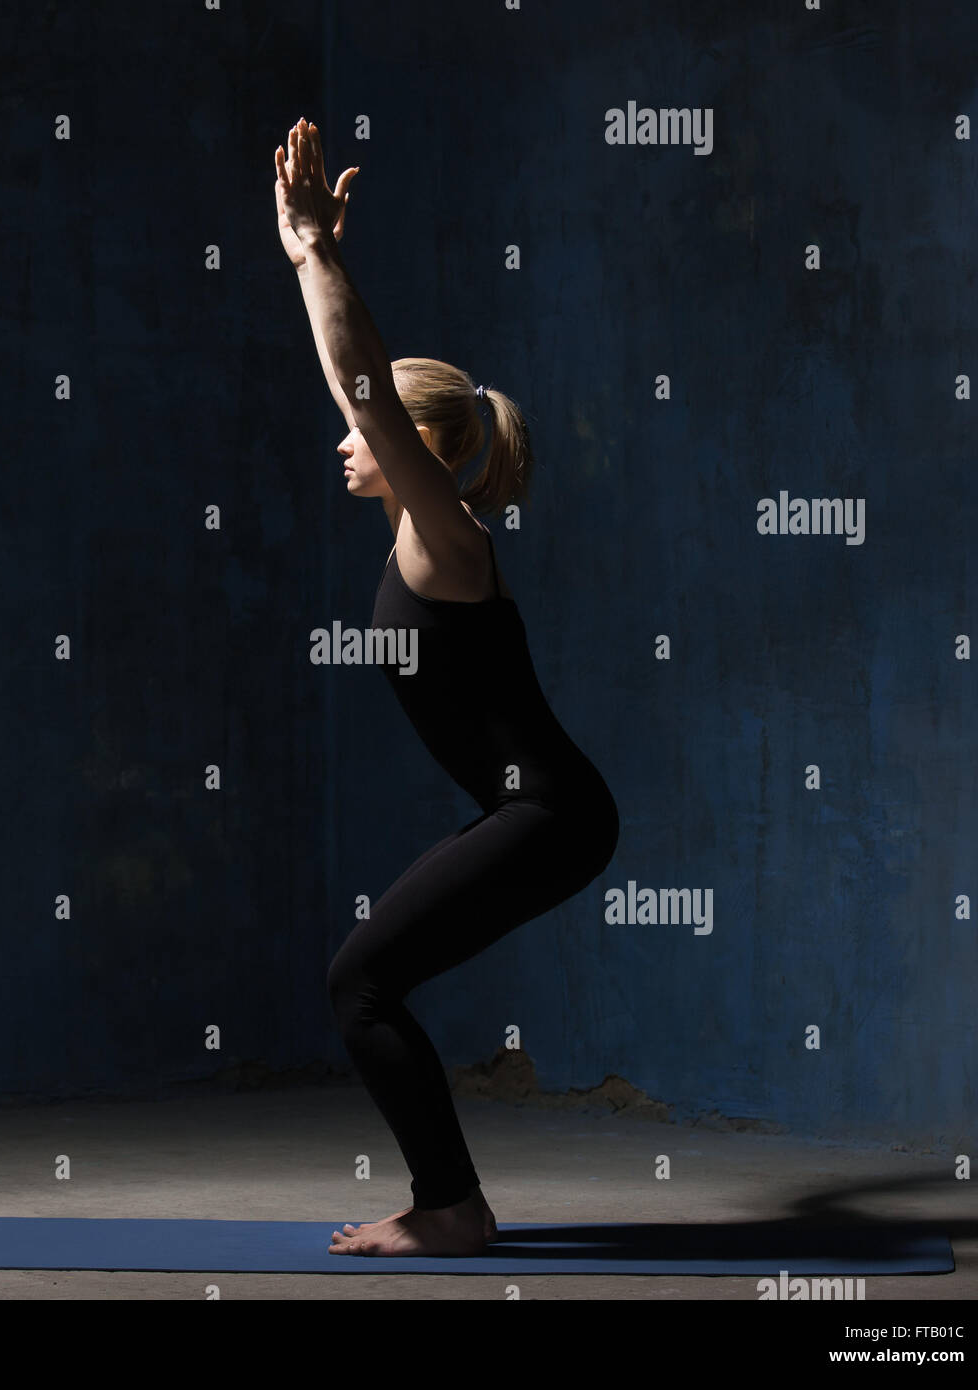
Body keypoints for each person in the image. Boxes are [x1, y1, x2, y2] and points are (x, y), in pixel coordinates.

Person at [275, 118, 619, 1256]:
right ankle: (450, 1202)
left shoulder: (447, 536)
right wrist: (302, 258)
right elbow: (358, 386)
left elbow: (366, 385)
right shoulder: (424, 529)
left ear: (416, 440)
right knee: (363, 979)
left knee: (359, 982)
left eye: (364, 431)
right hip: (531, 811)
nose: (344, 437)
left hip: (549, 814)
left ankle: (449, 1208)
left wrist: (318, 254)